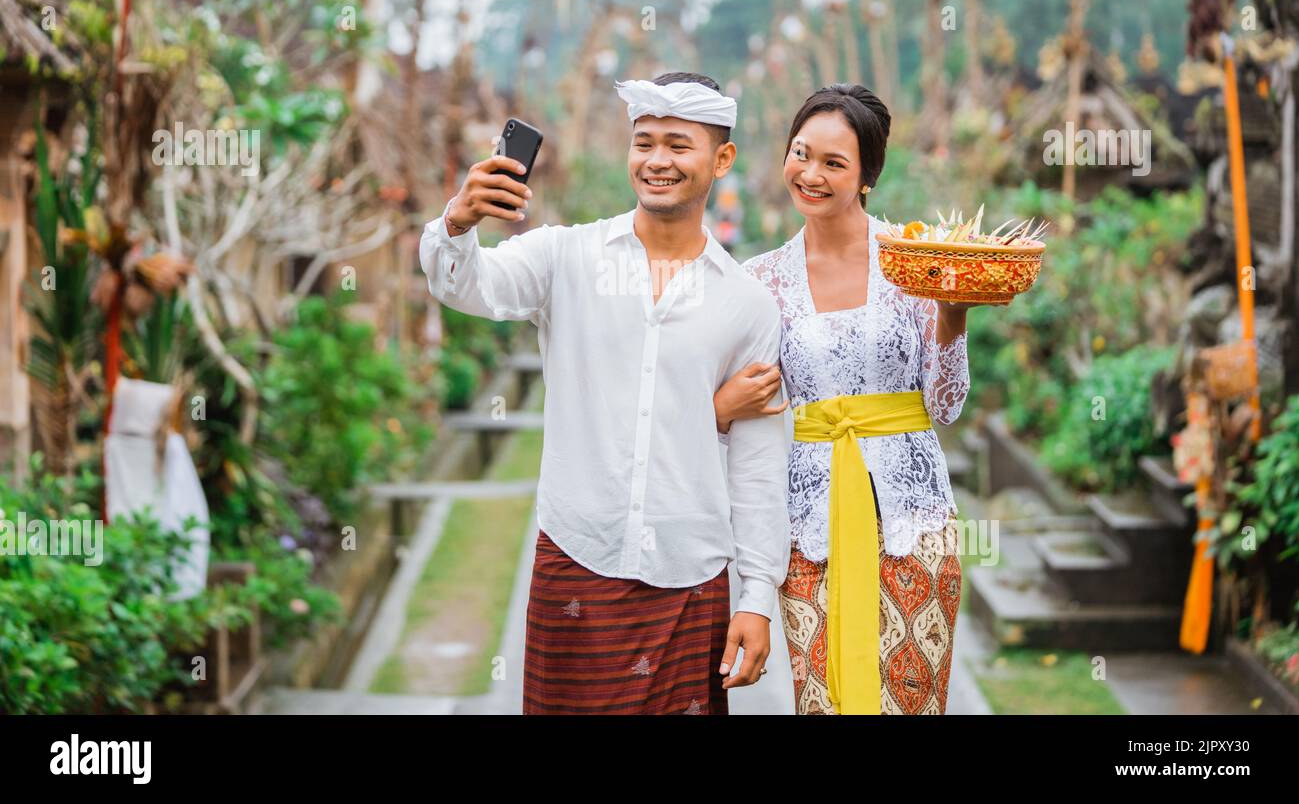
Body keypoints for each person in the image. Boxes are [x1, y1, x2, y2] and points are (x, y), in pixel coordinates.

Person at [420, 72, 791, 715]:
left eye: (679, 145)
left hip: (691, 579)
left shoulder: (748, 304)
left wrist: (757, 596)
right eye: (643, 142)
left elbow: (759, 466)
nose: (656, 161)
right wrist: (458, 220)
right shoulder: (567, 257)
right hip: (575, 562)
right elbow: (466, 286)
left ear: (721, 159)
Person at [713, 83, 991, 715]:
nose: (809, 174)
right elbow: (735, 421)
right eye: (800, 153)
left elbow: (944, 406)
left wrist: (953, 315)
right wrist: (721, 407)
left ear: (867, 177)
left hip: (912, 526)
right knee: (826, 700)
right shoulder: (758, 283)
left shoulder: (916, 261)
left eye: (833, 163)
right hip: (808, 532)